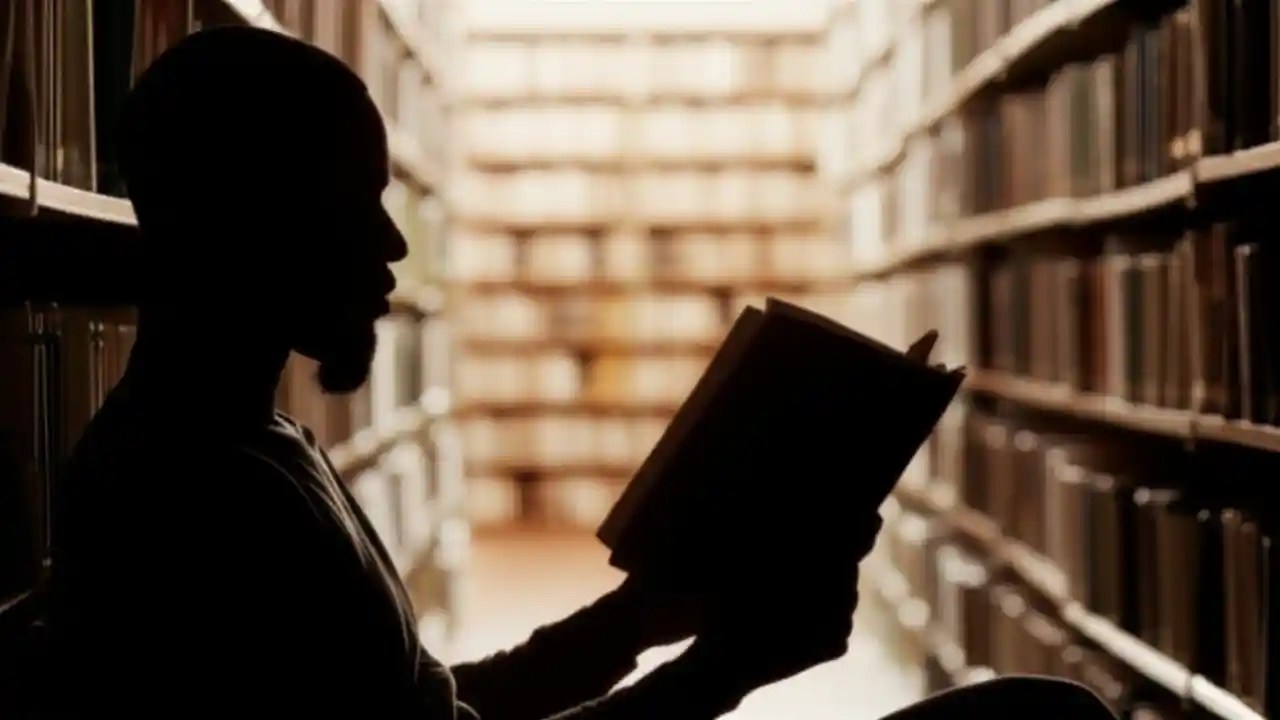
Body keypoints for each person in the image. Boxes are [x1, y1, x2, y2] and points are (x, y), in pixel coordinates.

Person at [45, 26, 1118, 720]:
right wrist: (725, 669)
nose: (395, 244)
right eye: (356, 201)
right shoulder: (196, 489)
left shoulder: (253, 440)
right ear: (251, 213)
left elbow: (436, 708)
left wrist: (641, 615)